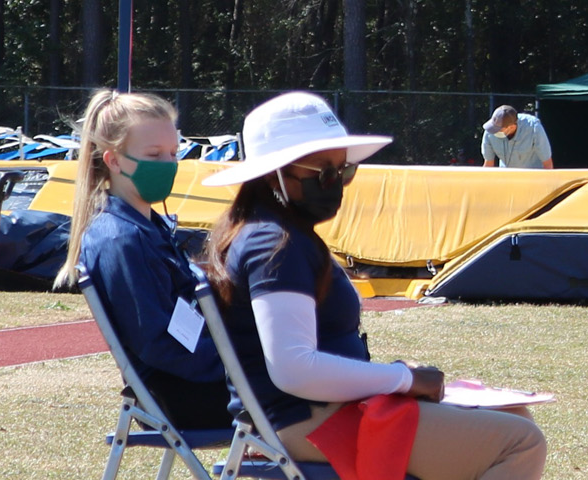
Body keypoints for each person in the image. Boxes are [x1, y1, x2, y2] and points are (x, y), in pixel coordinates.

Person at [203, 92, 548, 479]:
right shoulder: (274, 243)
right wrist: (403, 378)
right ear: (273, 174)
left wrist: (398, 379)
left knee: (517, 416)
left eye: (343, 172)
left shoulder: (277, 232)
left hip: (321, 409)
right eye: (324, 173)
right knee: (521, 441)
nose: (336, 185)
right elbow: (293, 368)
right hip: (303, 421)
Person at [56, 90, 231, 430]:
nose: (168, 165)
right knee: (311, 397)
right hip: (181, 395)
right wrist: (240, 367)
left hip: (197, 382)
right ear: (114, 160)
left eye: (173, 153)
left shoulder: (148, 227)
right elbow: (158, 343)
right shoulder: (121, 238)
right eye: (154, 154)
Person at [481, 106, 552, 170]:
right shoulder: (489, 131)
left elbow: (547, 164)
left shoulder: (534, 128)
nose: (494, 131)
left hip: (533, 178)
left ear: (512, 127)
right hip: (507, 177)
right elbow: (488, 165)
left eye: (499, 129)